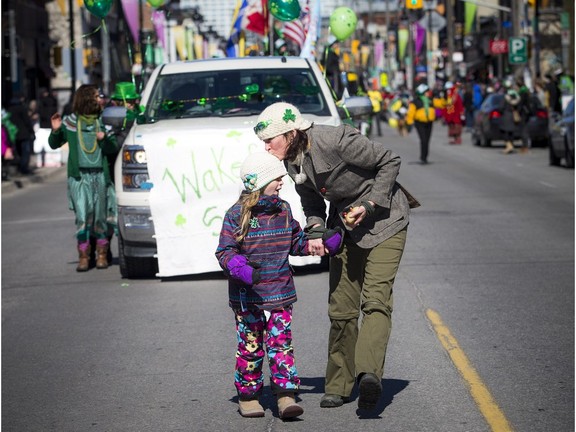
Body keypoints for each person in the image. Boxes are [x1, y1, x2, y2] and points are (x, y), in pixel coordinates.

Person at [253, 102, 419, 411]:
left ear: (290, 133)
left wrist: (369, 204)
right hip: (344, 225)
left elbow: (389, 160)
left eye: (269, 140)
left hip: (385, 220)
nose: (266, 147)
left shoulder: (337, 139)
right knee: (341, 307)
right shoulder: (292, 161)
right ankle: (339, 385)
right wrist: (315, 232)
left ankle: (369, 375)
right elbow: (312, 201)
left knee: (375, 300)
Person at [215, 151, 343, 419]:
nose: (282, 181)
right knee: (250, 345)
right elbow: (224, 252)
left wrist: (318, 245)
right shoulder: (236, 214)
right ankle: (249, 395)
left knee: (281, 345)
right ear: (259, 183)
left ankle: (285, 394)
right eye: (276, 177)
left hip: (280, 294)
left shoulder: (283, 210)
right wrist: (242, 269)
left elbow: (295, 242)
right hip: (246, 296)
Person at [48, 84, 119, 272]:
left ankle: (102, 254)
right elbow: (54, 144)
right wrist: (55, 130)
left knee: (100, 218)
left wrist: (104, 139)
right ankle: (84, 256)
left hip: (99, 176)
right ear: (87, 99)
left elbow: (112, 149)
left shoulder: (102, 121)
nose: (100, 99)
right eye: (96, 96)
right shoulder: (70, 122)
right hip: (79, 178)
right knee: (82, 217)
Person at [406, 83, 437, 164]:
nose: (428, 93)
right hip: (420, 123)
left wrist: (445, 96)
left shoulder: (430, 100)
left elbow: (442, 103)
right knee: (423, 140)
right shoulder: (415, 102)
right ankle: (423, 157)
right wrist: (409, 123)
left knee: (427, 140)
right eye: (426, 91)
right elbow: (410, 113)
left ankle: (425, 156)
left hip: (429, 122)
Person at [7, 93, 35, 175]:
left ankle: (18, 168)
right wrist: (31, 131)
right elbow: (27, 121)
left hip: (13, 134)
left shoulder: (9, 109)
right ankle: (23, 168)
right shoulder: (22, 108)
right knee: (25, 152)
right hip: (24, 133)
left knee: (18, 152)